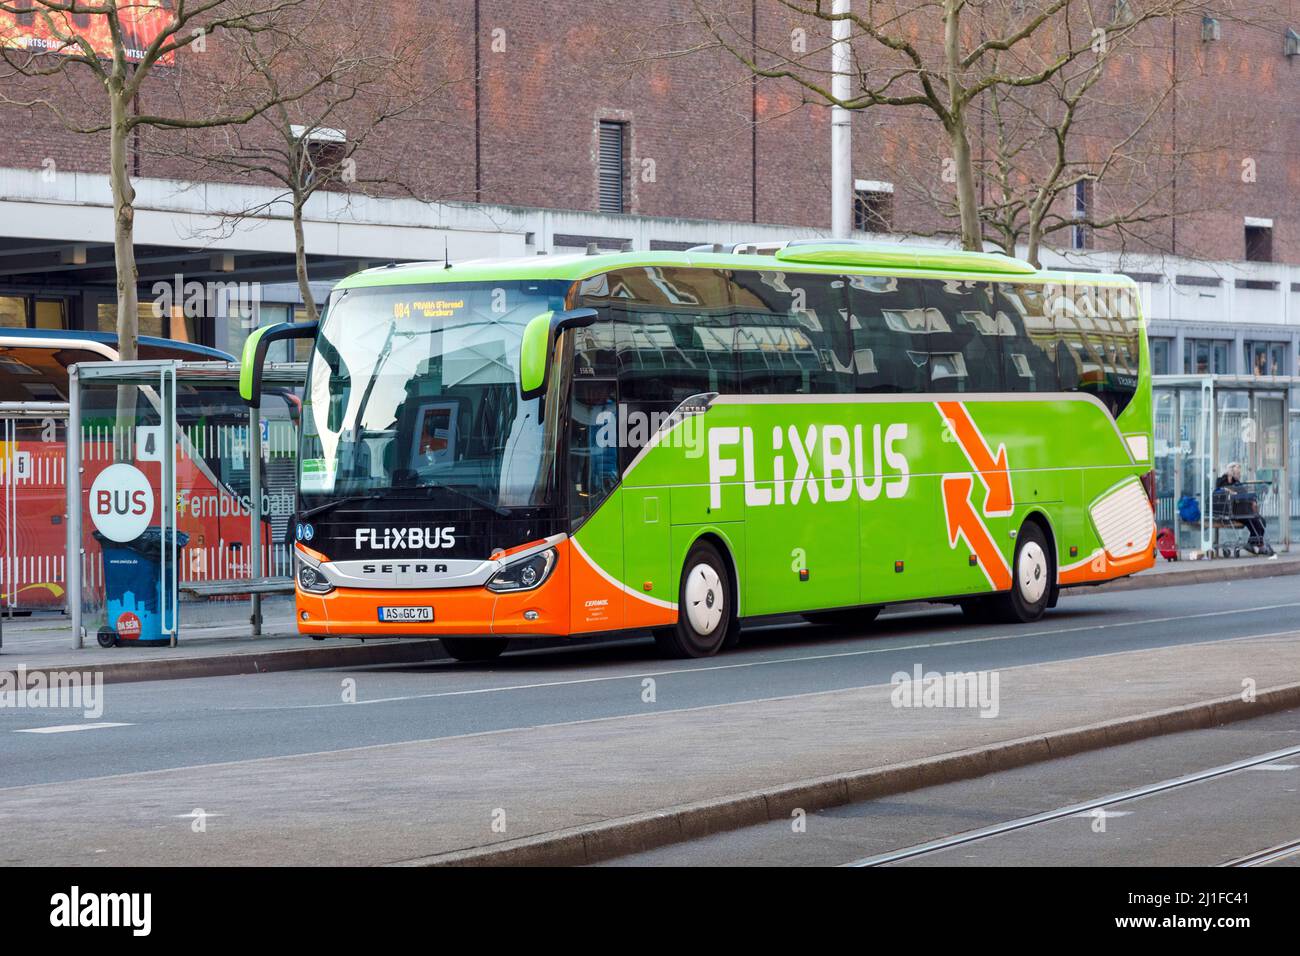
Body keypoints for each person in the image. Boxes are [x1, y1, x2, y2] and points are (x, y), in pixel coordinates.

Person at [1216, 462, 1272, 554]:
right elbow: (1222, 489)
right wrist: (1229, 477)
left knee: (1261, 521)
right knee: (1255, 521)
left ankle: (1253, 543)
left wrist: (1253, 501)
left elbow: (1245, 494)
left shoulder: (1238, 483)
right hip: (1235, 511)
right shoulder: (1222, 480)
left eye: (1239, 473)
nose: (1239, 475)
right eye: (1238, 473)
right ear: (1232, 472)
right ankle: (1258, 545)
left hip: (1245, 511)